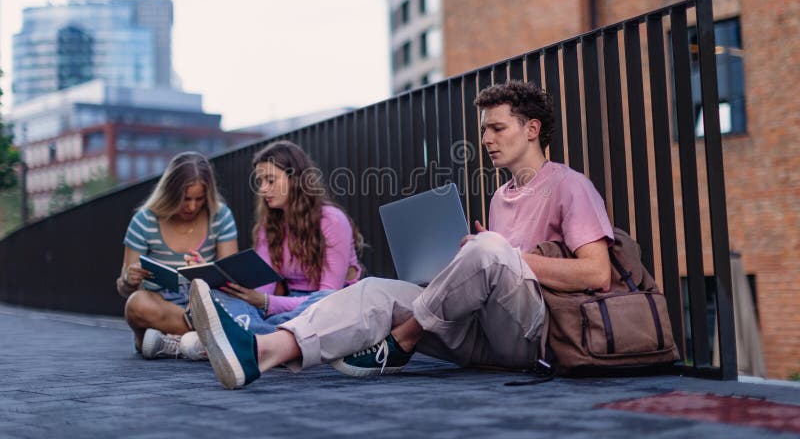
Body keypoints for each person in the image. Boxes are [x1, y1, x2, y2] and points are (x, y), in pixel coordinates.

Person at [190, 81, 615, 389]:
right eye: (483, 129)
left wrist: (502, 254)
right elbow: (494, 269)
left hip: (532, 338)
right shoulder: (501, 196)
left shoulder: (568, 185)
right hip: (481, 334)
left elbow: (597, 275)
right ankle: (263, 352)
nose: (485, 138)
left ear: (532, 129)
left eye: (497, 128)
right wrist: (466, 263)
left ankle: (402, 340)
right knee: (374, 290)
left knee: (489, 247)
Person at [207, 140, 363, 336]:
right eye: (260, 181)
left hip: (328, 306)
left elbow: (328, 297)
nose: (262, 189)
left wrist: (265, 302)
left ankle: (245, 336)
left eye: (270, 181)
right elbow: (264, 287)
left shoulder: (331, 220)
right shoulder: (269, 226)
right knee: (219, 296)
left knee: (312, 311)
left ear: (295, 179)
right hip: (284, 309)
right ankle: (260, 336)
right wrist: (227, 285)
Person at [117, 151, 238, 359]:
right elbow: (124, 288)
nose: (192, 207)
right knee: (136, 304)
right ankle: (208, 340)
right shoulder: (144, 221)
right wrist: (129, 278)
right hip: (162, 306)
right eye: (185, 199)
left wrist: (205, 271)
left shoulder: (220, 215)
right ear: (170, 194)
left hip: (203, 302)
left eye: (199, 199)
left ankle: (173, 343)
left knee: (229, 305)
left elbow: (231, 279)